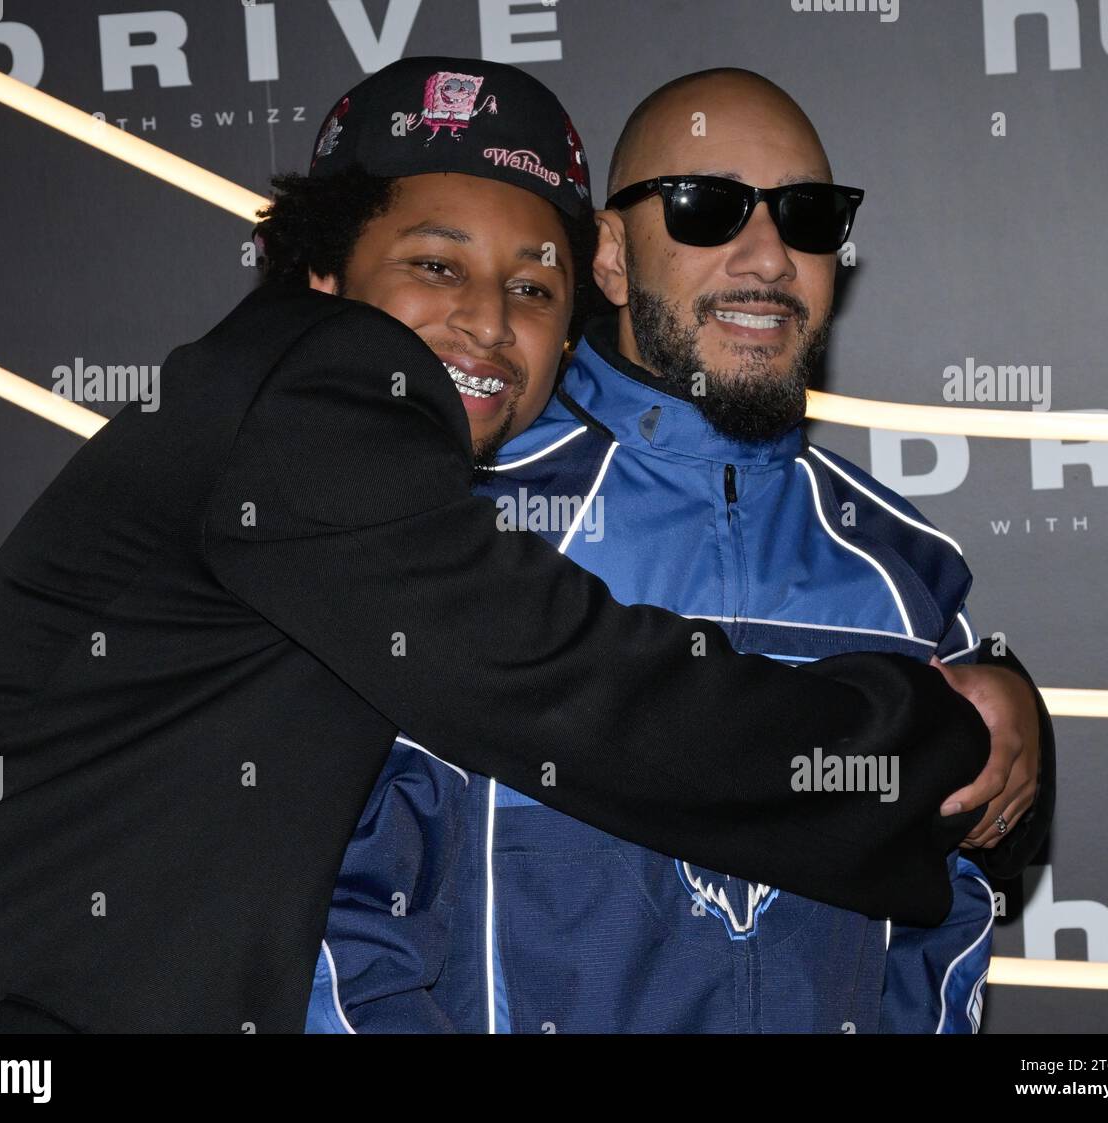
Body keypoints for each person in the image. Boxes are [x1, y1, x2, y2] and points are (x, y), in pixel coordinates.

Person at [0, 57, 1001, 1035]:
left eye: (532, 286)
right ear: (321, 273)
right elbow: (577, 688)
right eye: (436, 265)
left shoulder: (320, 439)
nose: (486, 318)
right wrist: (956, 733)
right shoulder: (317, 392)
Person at [305, 68, 1055, 1034]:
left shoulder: (906, 571)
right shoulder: (455, 529)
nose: (769, 257)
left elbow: (941, 925)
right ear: (609, 259)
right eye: (709, 207)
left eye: (808, 216)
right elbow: (342, 928)